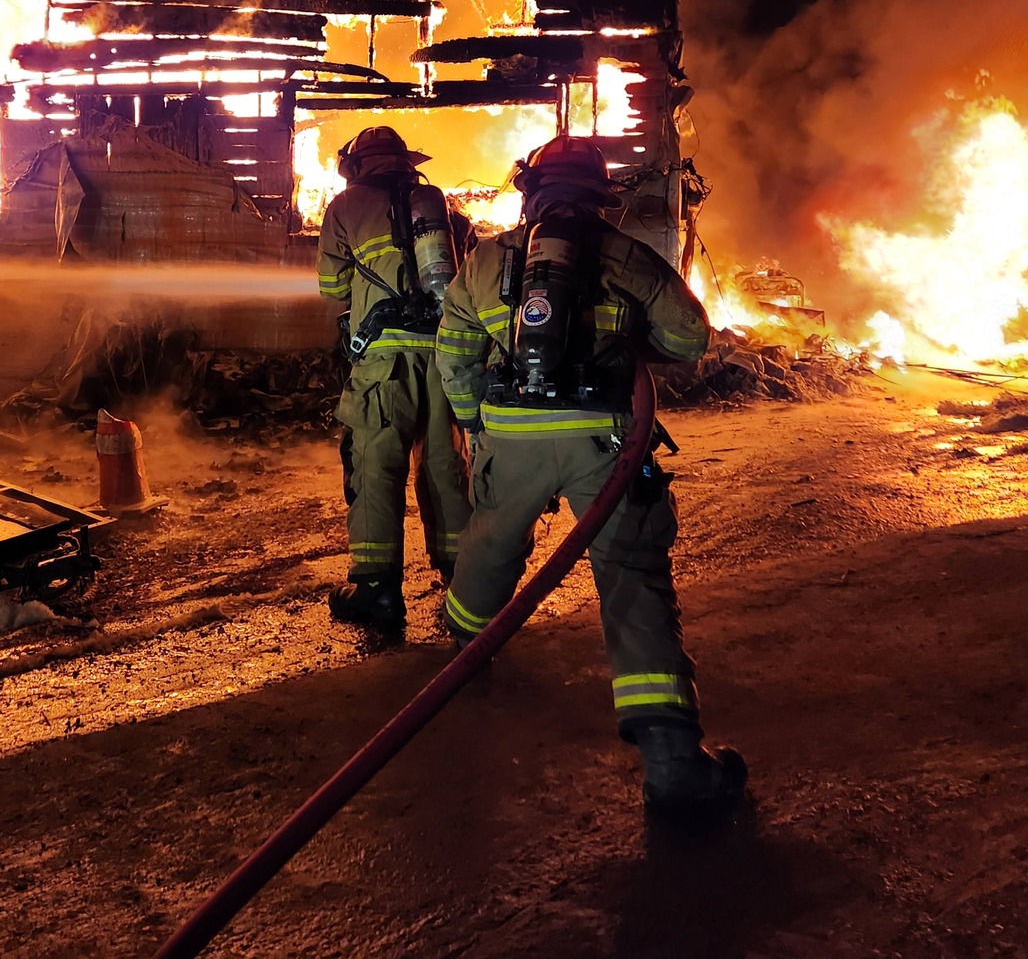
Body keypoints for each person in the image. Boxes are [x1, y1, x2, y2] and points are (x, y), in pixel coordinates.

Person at [434, 134, 747, 811]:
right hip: (605, 437)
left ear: (531, 192)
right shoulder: (628, 257)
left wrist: (477, 423)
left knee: (490, 540)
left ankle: (464, 645)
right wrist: (630, 337)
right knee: (631, 576)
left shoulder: (487, 260)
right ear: (599, 196)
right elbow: (692, 339)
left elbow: (454, 351)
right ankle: (672, 767)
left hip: (511, 432)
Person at [316, 126, 473, 634]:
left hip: (384, 360)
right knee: (444, 465)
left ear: (357, 165)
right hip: (443, 353)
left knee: (376, 465)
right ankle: (463, 579)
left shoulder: (345, 206)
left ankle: (378, 590)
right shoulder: (437, 205)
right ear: (406, 163)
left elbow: (330, 286)